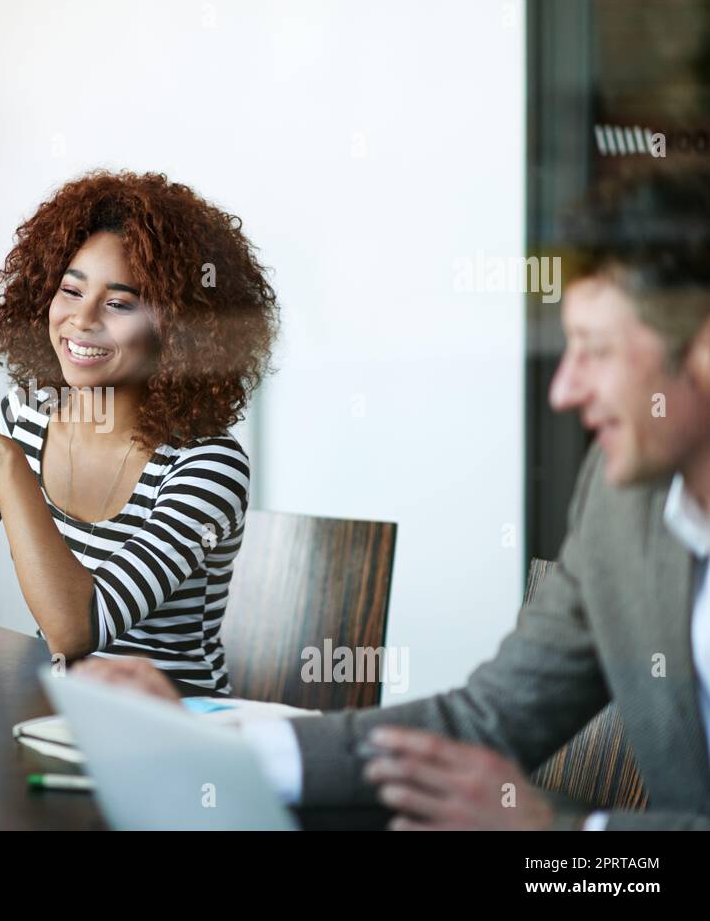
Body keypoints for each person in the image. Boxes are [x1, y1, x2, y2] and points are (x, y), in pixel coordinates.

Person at [81, 163, 710, 830]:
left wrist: (560, 836)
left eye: (596, 350)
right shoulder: (624, 502)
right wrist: (215, 750)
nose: (564, 391)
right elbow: (486, 720)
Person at [0, 170, 278, 691]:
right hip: (58, 718)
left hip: (178, 728)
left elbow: (77, 630)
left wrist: (5, 460)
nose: (81, 320)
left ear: (176, 328)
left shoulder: (208, 465)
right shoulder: (29, 416)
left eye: (118, 303)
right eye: (71, 290)